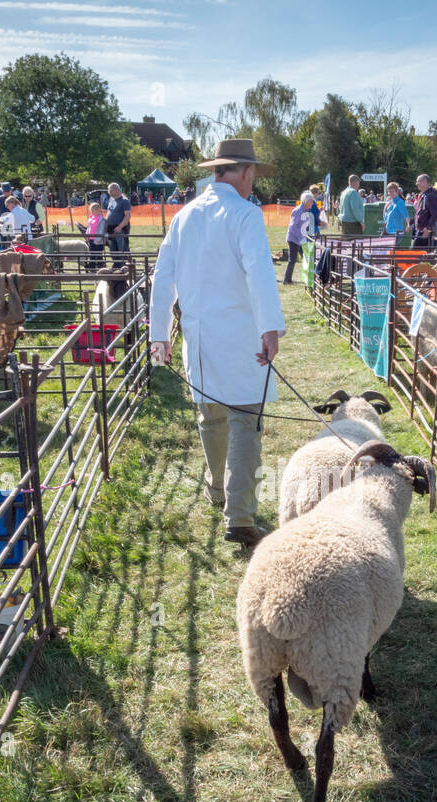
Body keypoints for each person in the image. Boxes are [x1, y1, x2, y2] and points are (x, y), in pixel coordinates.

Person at [148, 138, 286, 547]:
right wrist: (270, 329)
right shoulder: (245, 214)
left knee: (211, 416)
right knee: (245, 420)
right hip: (242, 336)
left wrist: (159, 334)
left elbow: (162, 277)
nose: (253, 182)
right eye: (253, 175)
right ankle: (239, 515)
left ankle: (217, 490)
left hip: (200, 338)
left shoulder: (185, 216)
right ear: (244, 172)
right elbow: (259, 271)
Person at [284, 191, 313, 283]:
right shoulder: (298, 211)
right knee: (292, 260)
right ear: (306, 201)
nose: (312, 203)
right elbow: (293, 227)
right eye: (311, 201)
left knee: (306, 257)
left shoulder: (305, 211)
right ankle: (287, 280)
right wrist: (301, 237)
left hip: (301, 239)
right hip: (294, 239)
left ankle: (307, 278)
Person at [413, 174, 437, 250]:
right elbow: (420, 212)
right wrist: (411, 222)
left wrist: (428, 228)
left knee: (417, 253)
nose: (416, 184)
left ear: (425, 182)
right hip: (421, 228)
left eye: (419, 181)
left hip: (425, 230)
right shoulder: (424, 195)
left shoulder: (430, 196)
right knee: (421, 254)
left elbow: (435, 213)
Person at [106, 182, 131, 265]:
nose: (109, 192)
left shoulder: (124, 201)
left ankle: (125, 267)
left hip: (120, 229)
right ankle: (116, 265)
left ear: (117, 190)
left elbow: (127, 216)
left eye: (111, 191)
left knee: (122, 249)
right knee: (112, 249)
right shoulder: (111, 200)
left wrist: (120, 226)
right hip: (111, 229)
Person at [85, 200, 108, 267]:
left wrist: (99, 237)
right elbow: (89, 227)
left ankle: (100, 267)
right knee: (92, 254)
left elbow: (101, 229)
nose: (93, 212)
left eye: (95, 210)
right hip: (91, 239)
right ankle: (92, 268)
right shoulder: (91, 218)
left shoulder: (101, 219)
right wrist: (86, 235)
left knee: (98, 255)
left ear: (98, 210)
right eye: (92, 210)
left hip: (98, 239)